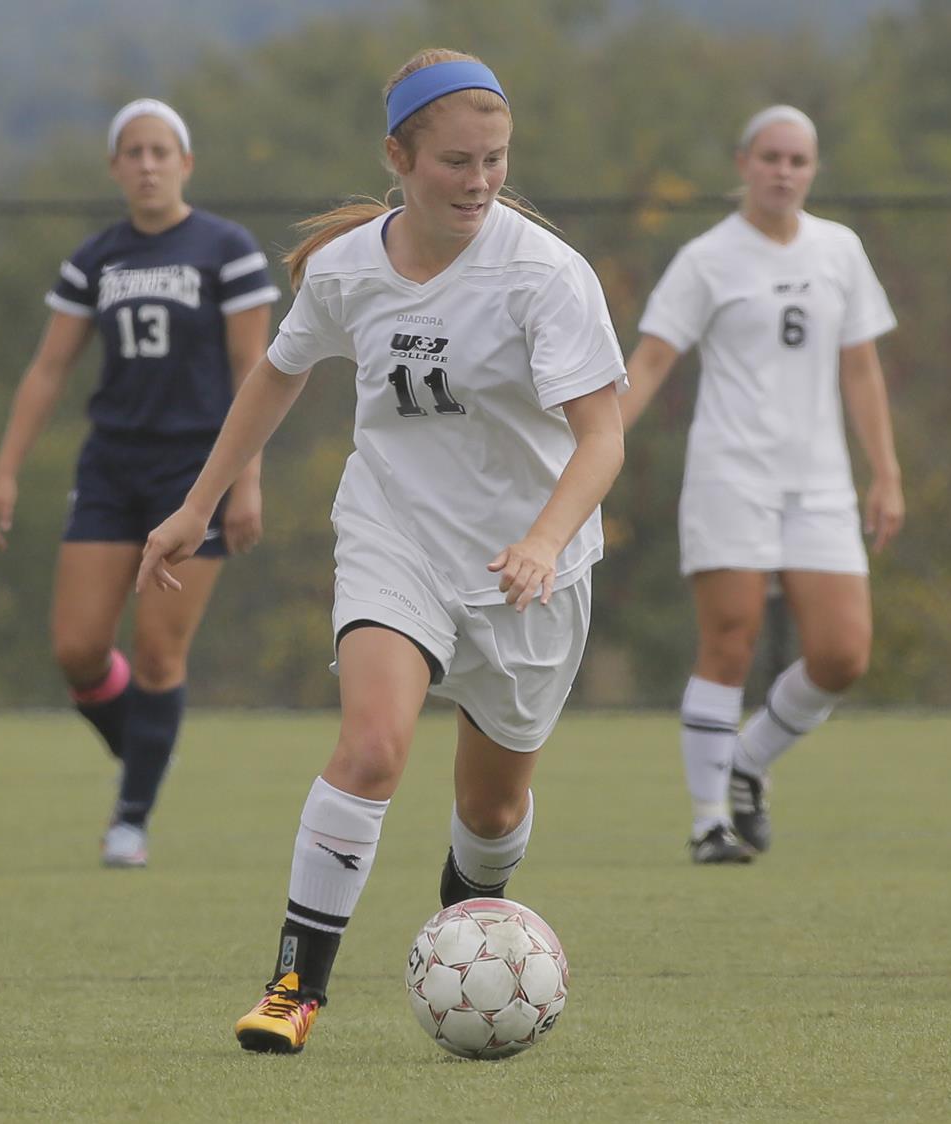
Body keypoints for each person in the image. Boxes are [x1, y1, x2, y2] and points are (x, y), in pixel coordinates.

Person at [137, 48, 626, 1053]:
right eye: (455, 160)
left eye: (493, 158)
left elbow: (602, 435)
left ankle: (468, 919)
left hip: (529, 573)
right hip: (392, 532)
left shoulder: (542, 274)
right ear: (396, 157)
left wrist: (540, 539)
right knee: (370, 746)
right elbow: (276, 376)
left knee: (490, 814)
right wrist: (198, 502)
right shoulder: (347, 266)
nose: (480, 180)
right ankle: (292, 985)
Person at [0, 99, 277, 869]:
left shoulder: (227, 249)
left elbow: (258, 372)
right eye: (133, 152)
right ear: (115, 167)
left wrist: (246, 483)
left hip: (193, 475)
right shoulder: (95, 258)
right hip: (110, 468)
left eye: (160, 150)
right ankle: (150, 748)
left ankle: (130, 819)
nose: (147, 164)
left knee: (155, 654)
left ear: (186, 163)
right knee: (77, 649)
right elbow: (48, 370)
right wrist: (4, 470)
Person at [621, 105, 903, 864]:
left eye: (798, 160)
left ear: (813, 169)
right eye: (770, 157)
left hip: (818, 483)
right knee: (730, 640)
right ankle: (709, 818)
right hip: (729, 474)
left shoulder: (840, 250)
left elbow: (861, 367)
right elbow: (650, 361)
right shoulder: (707, 258)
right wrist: (599, 448)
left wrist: (886, 473)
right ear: (742, 163)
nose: (784, 171)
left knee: (843, 655)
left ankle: (748, 762)